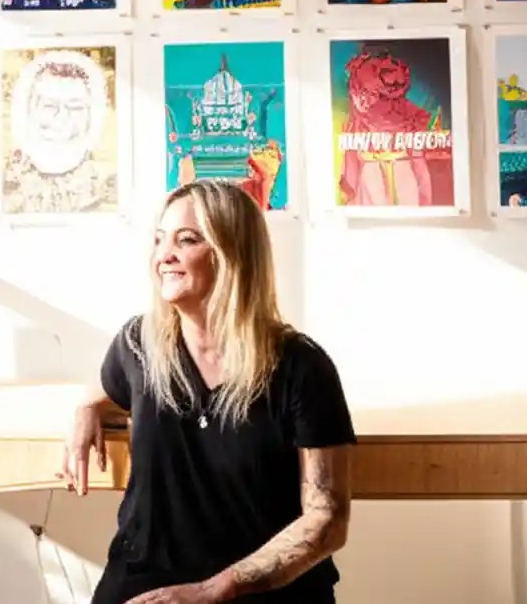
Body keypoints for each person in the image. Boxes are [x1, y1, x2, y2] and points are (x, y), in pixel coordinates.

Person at [58, 180, 358, 603]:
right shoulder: (138, 345)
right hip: (147, 581)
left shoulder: (301, 367)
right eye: (160, 240)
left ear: (232, 253)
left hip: (260, 592)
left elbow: (327, 521)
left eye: (187, 240)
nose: (164, 256)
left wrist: (213, 591)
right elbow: (106, 383)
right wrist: (85, 406)